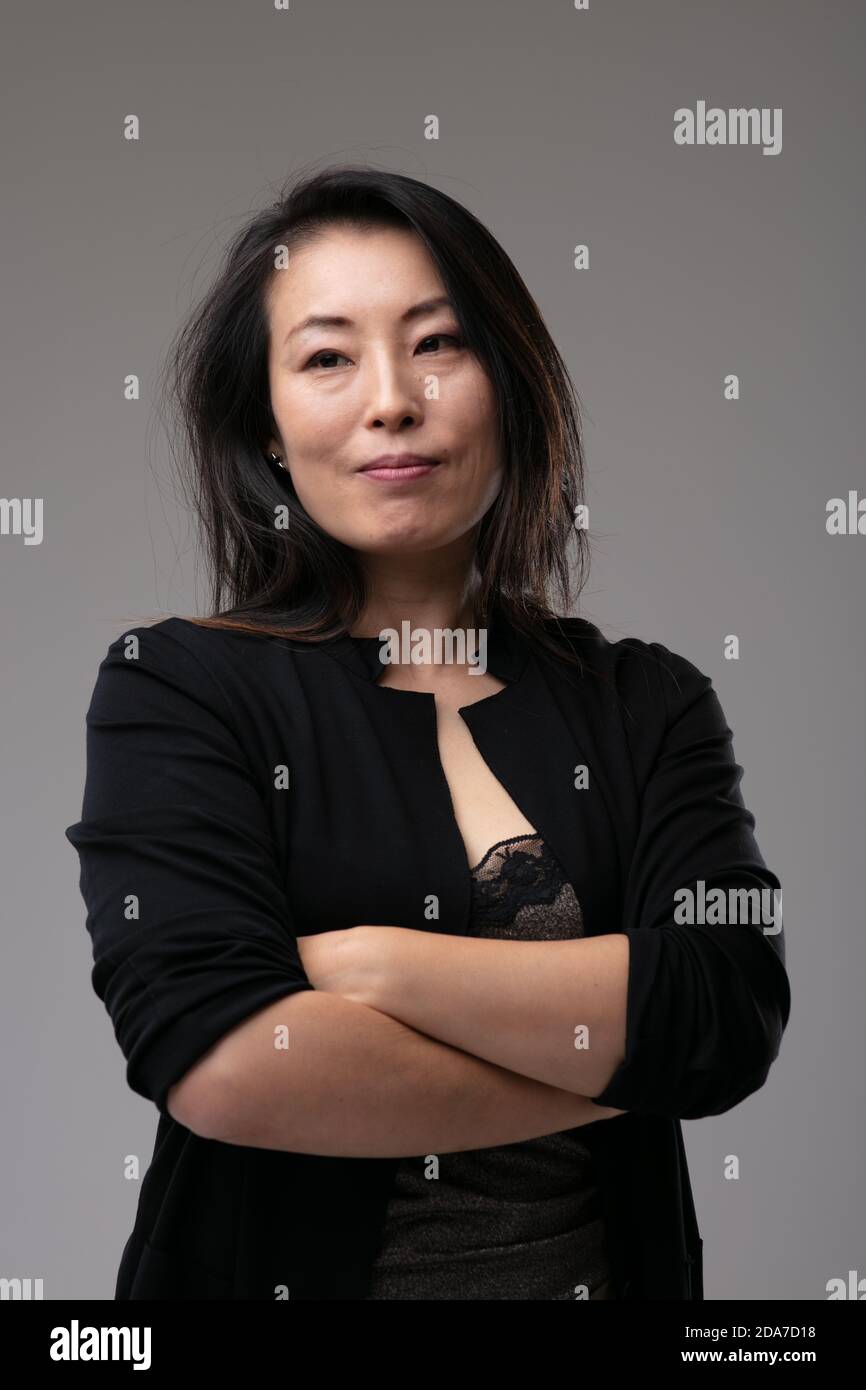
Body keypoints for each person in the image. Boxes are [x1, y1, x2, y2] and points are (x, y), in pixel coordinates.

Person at [64, 164, 791, 1300]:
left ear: (508, 383)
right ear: (266, 426)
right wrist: (631, 1064)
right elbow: (226, 1062)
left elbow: (724, 1003)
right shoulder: (181, 686)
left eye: (437, 343)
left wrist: (372, 964)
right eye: (327, 358)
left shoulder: (647, 701)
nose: (392, 400)